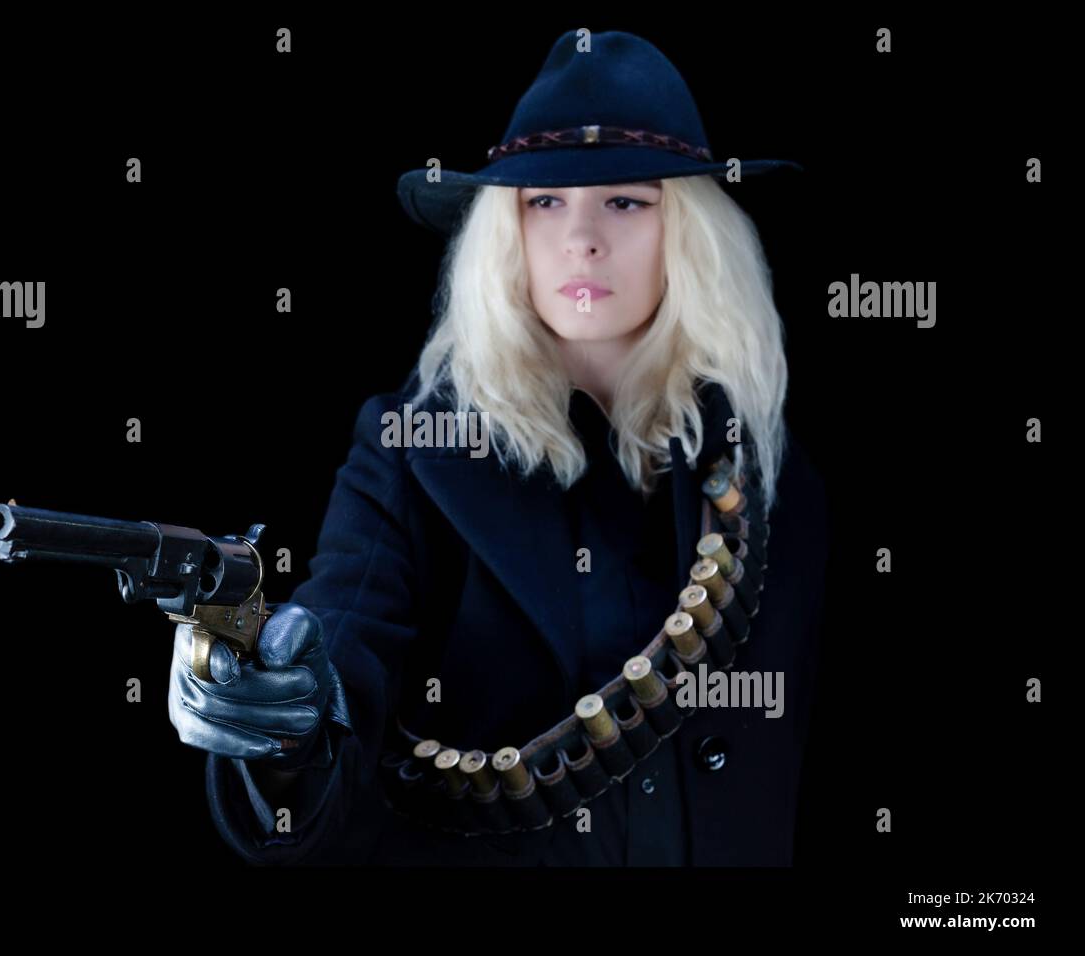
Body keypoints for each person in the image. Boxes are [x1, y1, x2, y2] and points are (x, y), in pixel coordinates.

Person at [167, 29, 829, 866]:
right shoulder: (410, 447)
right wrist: (285, 708)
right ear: (502, 230)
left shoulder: (770, 474)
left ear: (692, 233)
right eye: (543, 202)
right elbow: (343, 624)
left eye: (626, 201)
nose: (581, 238)